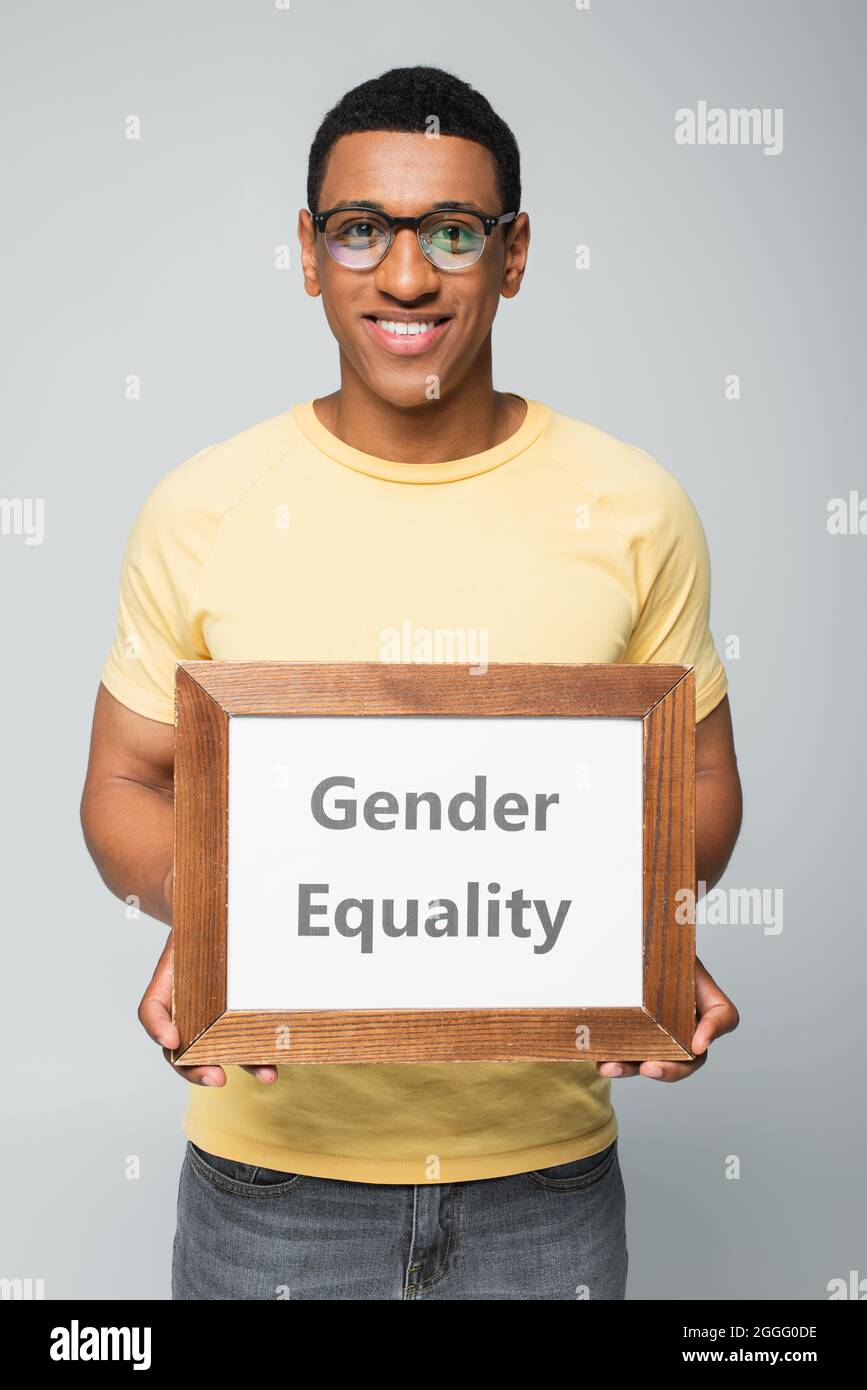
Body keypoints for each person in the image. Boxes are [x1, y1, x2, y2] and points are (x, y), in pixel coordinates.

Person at [80, 65, 743, 1301]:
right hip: (270, 1185)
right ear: (309, 249)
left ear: (515, 252)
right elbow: (122, 780)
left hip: (543, 1180)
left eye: (451, 232)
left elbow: (697, 774)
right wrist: (207, 917)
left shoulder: (635, 507)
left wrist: (660, 920)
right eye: (360, 230)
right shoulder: (201, 507)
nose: (404, 276)